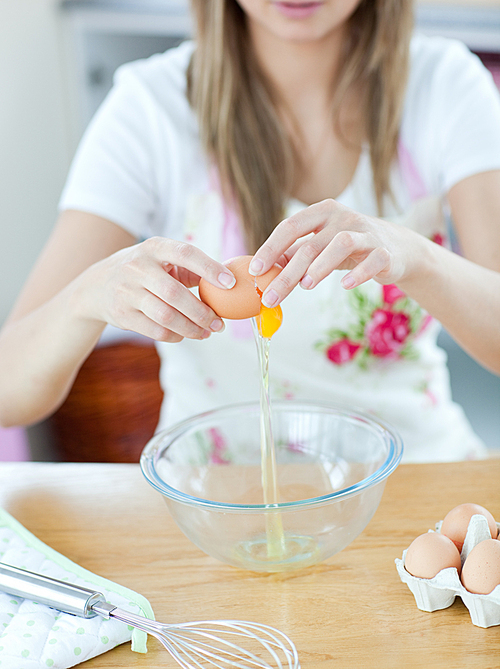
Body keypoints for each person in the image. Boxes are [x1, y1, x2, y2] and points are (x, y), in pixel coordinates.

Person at [0, 0, 499, 462]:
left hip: (415, 472)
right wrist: (89, 294)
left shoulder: (444, 84)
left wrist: (419, 258)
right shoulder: (149, 110)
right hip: (214, 498)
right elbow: (9, 393)